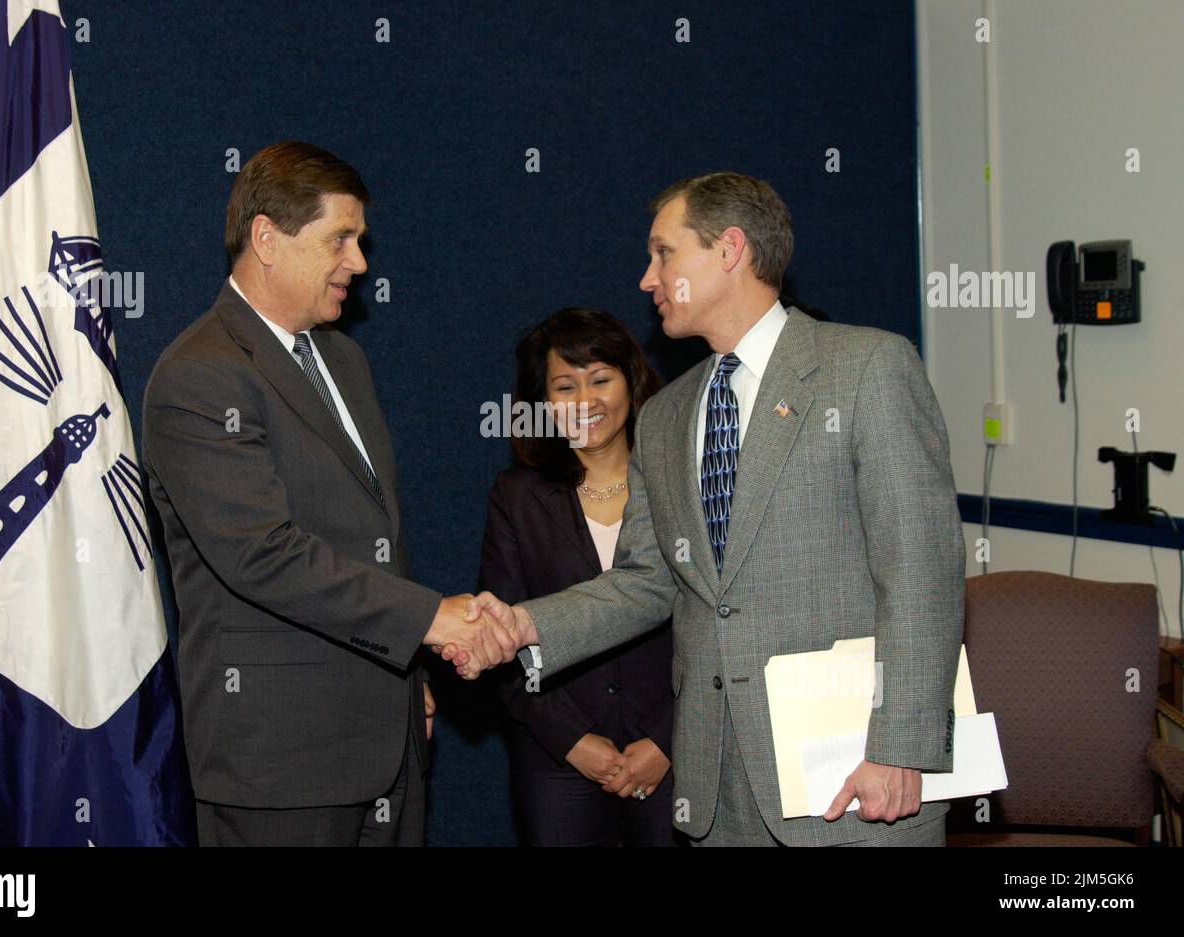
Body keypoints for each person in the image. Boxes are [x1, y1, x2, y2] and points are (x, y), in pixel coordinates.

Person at [451, 172, 965, 847]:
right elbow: (646, 580)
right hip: (715, 793)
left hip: (854, 777)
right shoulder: (665, 417)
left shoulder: (867, 368)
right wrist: (520, 625)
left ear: (728, 250)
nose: (646, 277)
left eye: (663, 253)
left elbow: (922, 572)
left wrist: (899, 745)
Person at [142, 141, 515, 847]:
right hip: (281, 766)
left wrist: (403, 675)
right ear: (266, 239)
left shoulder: (343, 358)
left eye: (361, 240)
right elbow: (264, 555)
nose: (361, 263)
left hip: (388, 744)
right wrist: (432, 619)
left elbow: (370, 541)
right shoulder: (198, 376)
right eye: (340, 239)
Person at [479, 307, 680, 846]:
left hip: (673, 749)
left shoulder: (678, 481)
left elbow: (714, 618)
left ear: (631, 382)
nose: (586, 402)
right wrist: (573, 742)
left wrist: (667, 739)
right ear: (541, 403)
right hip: (555, 757)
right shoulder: (516, 497)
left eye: (601, 380)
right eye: (565, 386)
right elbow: (501, 636)